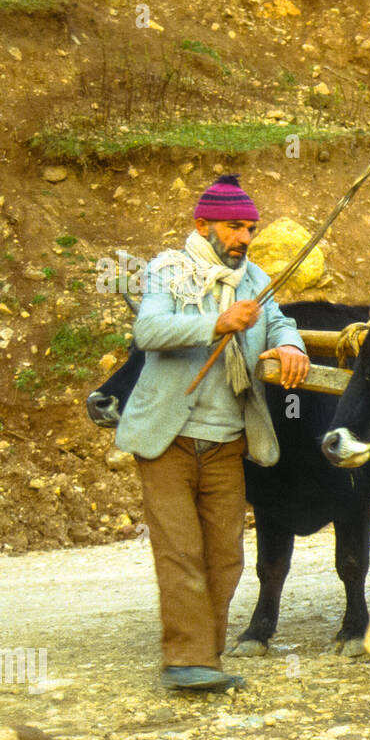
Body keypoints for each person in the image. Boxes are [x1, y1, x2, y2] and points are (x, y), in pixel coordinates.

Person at [114, 174, 310, 691]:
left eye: (250, 228)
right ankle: (187, 661)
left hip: (227, 442)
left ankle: (207, 658)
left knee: (224, 556)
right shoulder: (169, 270)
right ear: (202, 226)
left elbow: (280, 321)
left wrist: (291, 347)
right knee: (180, 551)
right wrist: (216, 325)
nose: (244, 238)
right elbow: (149, 331)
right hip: (168, 438)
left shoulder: (253, 278)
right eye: (233, 227)